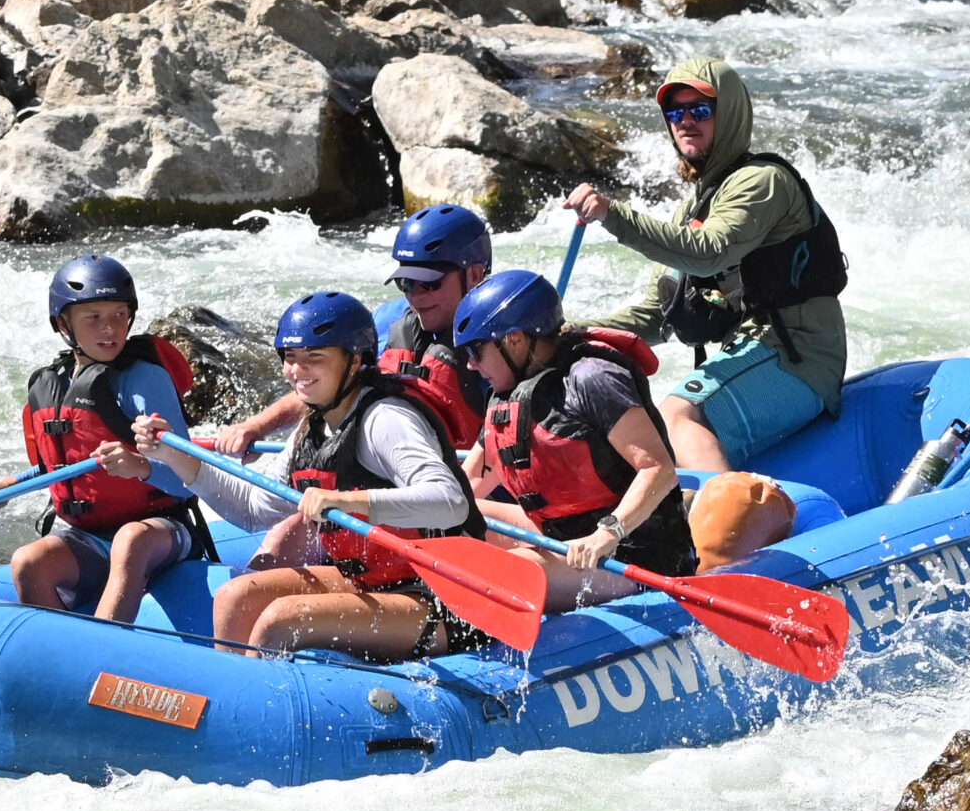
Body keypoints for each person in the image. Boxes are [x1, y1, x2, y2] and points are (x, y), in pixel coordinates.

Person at [136, 290, 486, 660]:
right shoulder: (314, 426)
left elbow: (451, 502)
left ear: (354, 363)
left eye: (314, 358)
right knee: (236, 596)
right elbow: (254, 508)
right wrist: (174, 457)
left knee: (281, 619)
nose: (296, 371)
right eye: (290, 358)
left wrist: (348, 502)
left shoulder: (386, 420)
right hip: (372, 580)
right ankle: (230, 697)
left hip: (440, 597)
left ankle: (246, 709)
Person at [563, 56, 847, 473]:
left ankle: (724, 534)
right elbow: (658, 313)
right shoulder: (692, 210)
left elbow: (711, 250)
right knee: (638, 437)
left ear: (728, 114)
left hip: (800, 358)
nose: (685, 121)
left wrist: (614, 216)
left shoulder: (762, 181)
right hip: (752, 354)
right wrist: (571, 334)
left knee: (679, 416)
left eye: (700, 110)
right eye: (675, 112)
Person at [0, 255, 208, 621]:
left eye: (118, 315)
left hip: (163, 530)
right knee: (28, 562)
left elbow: (190, 479)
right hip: (93, 537)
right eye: (93, 317)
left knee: (131, 540)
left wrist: (141, 467)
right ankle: (63, 658)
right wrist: (6, 485)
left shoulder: (145, 379)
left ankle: (105, 646)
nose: (110, 329)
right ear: (63, 323)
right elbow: (57, 467)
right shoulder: (50, 385)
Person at [451, 269, 695, 613]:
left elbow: (659, 468)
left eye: (476, 351)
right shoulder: (508, 396)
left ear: (515, 340)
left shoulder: (593, 378)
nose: (472, 365)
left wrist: (608, 532)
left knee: (508, 571)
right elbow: (469, 484)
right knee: (454, 518)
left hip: (632, 555)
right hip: (562, 539)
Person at [205, 205, 495, 455]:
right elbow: (332, 384)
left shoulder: (504, 342)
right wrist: (257, 427)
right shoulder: (388, 320)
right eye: (406, 283)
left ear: (475, 274)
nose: (415, 295)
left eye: (430, 283)